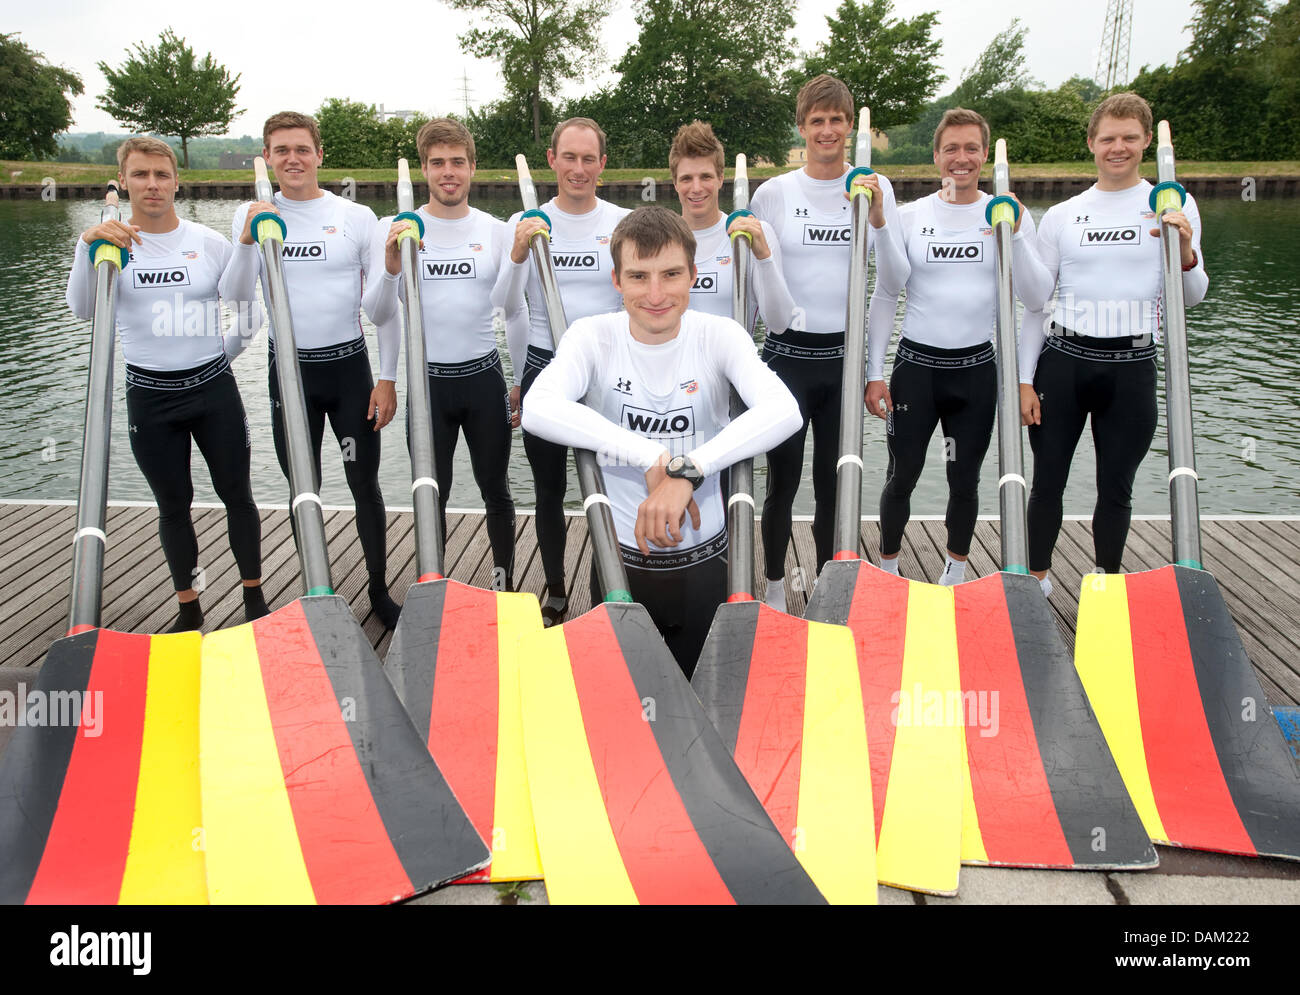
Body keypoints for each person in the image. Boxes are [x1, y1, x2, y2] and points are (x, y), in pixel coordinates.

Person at [521, 207, 801, 677]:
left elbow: (783, 411)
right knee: (625, 713)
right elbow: (537, 408)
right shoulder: (592, 336)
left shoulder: (720, 335)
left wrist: (689, 470)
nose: (655, 294)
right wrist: (651, 456)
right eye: (639, 276)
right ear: (616, 279)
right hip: (619, 567)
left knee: (704, 705)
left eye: (671, 274)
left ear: (693, 274)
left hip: (708, 566)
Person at [66, 136, 269, 632]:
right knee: (172, 505)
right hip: (150, 396)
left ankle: (253, 601)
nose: (152, 185)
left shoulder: (207, 242)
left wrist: (218, 357)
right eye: (140, 175)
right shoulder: (109, 247)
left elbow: (249, 308)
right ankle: (189, 609)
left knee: (237, 495)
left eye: (161, 175)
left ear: (177, 181)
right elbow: (84, 309)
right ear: (125, 181)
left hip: (213, 390)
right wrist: (85, 245)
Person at [1013, 92, 1208, 594]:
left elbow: (1191, 297)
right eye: (1108, 138)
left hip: (1133, 366)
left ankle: (1107, 583)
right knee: (1048, 480)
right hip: (1065, 362)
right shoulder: (1063, 215)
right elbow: (1036, 303)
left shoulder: (1173, 204)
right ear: (1091, 143)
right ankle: (1037, 580)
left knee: (1116, 487)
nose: (1117, 147)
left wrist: (1184, 250)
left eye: (1128, 138)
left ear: (1146, 142)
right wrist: (1023, 380)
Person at [231, 111, 402, 627]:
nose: (292, 158)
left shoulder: (355, 217)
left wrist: (388, 377)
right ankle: (314, 589)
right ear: (267, 159)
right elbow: (234, 296)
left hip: (349, 370)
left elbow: (383, 307)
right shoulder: (255, 215)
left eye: (301, 148)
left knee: (363, 483)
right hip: (289, 374)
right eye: (280, 150)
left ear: (319, 155)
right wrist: (245, 240)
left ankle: (377, 590)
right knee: (302, 485)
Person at [748, 74, 905, 612]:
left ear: (850, 125)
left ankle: (825, 590)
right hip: (787, 357)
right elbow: (756, 284)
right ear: (802, 126)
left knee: (833, 489)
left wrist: (880, 218)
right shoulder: (774, 193)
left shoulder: (870, 186)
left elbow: (894, 279)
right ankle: (772, 588)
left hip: (842, 361)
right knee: (781, 486)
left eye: (838, 119)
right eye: (817, 120)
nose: (828, 129)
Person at [865, 108, 1037, 585]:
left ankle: (955, 571)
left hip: (976, 374)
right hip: (916, 373)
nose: (961, 158)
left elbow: (1037, 298)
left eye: (971, 149)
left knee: (964, 479)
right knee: (903, 475)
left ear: (984, 155)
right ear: (936, 156)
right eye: (951, 149)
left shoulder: (1005, 217)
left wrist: (1019, 233)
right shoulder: (911, 215)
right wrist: (873, 372)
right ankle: (889, 567)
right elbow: (886, 291)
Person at [367, 118, 528, 590]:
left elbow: (514, 311)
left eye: (457, 162)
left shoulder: (496, 232)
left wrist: (519, 377)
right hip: (427, 385)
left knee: (496, 490)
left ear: (472, 168)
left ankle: (503, 586)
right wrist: (392, 267)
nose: (448, 172)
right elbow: (379, 313)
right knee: (430, 493)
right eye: (437, 163)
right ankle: (432, 586)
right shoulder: (397, 229)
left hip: (483, 380)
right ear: (424, 170)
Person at [507, 118, 631, 626]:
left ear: (602, 165)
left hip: (605, 369)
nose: (578, 169)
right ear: (552, 161)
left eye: (589, 159)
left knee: (614, 484)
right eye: (569, 158)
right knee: (549, 490)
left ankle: (613, 582)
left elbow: (642, 298)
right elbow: (504, 305)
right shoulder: (527, 219)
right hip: (545, 366)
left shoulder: (624, 222)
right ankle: (555, 588)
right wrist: (517, 253)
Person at [667, 120, 794, 330]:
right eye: (687, 178)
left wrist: (764, 257)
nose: (696, 188)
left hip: (732, 363)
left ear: (720, 178)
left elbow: (780, 324)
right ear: (675, 183)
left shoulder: (752, 234)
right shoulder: (661, 239)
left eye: (705, 177)